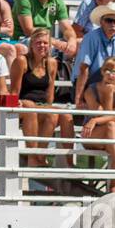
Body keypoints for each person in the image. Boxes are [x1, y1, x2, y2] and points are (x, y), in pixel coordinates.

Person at [10, 27, 72, 168]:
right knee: (32, 108)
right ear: (31, 44)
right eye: (38, 42)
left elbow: (49, 94)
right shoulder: (22, 61)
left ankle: (66, 161)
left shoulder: (51, 63)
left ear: (49, 45)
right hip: (24, 103)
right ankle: (34, 156)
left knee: (64, 115)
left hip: (41, 106)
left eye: (45, 43)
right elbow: (14, 91)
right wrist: (15, 106)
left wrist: (48, 108)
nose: (42, 46)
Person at [11, 0, 75, 61]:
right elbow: (29, 30)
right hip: (25, 39)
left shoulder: (57, 0)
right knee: (43, 45)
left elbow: (67, 28)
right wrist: (56, 43)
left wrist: (72, 40)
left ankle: (74, 76)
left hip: (48, 41)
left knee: (80, 44)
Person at [72, 0, 115, 103]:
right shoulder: (90, 37)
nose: (113, 24)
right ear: (101, 21)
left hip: (110, 81)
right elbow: (84, 68)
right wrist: (78, 99)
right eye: (109, 20)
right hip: (88, 81)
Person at [78, 54, 115, 171]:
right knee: (111, 127)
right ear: (102, 72)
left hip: (112, 132)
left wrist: (109, 94)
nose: (110, 74)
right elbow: (101, 114)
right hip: (91, 133)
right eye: (107, 70)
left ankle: (114, 186)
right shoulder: (90, 90)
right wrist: (108, 94)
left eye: (114, 71)